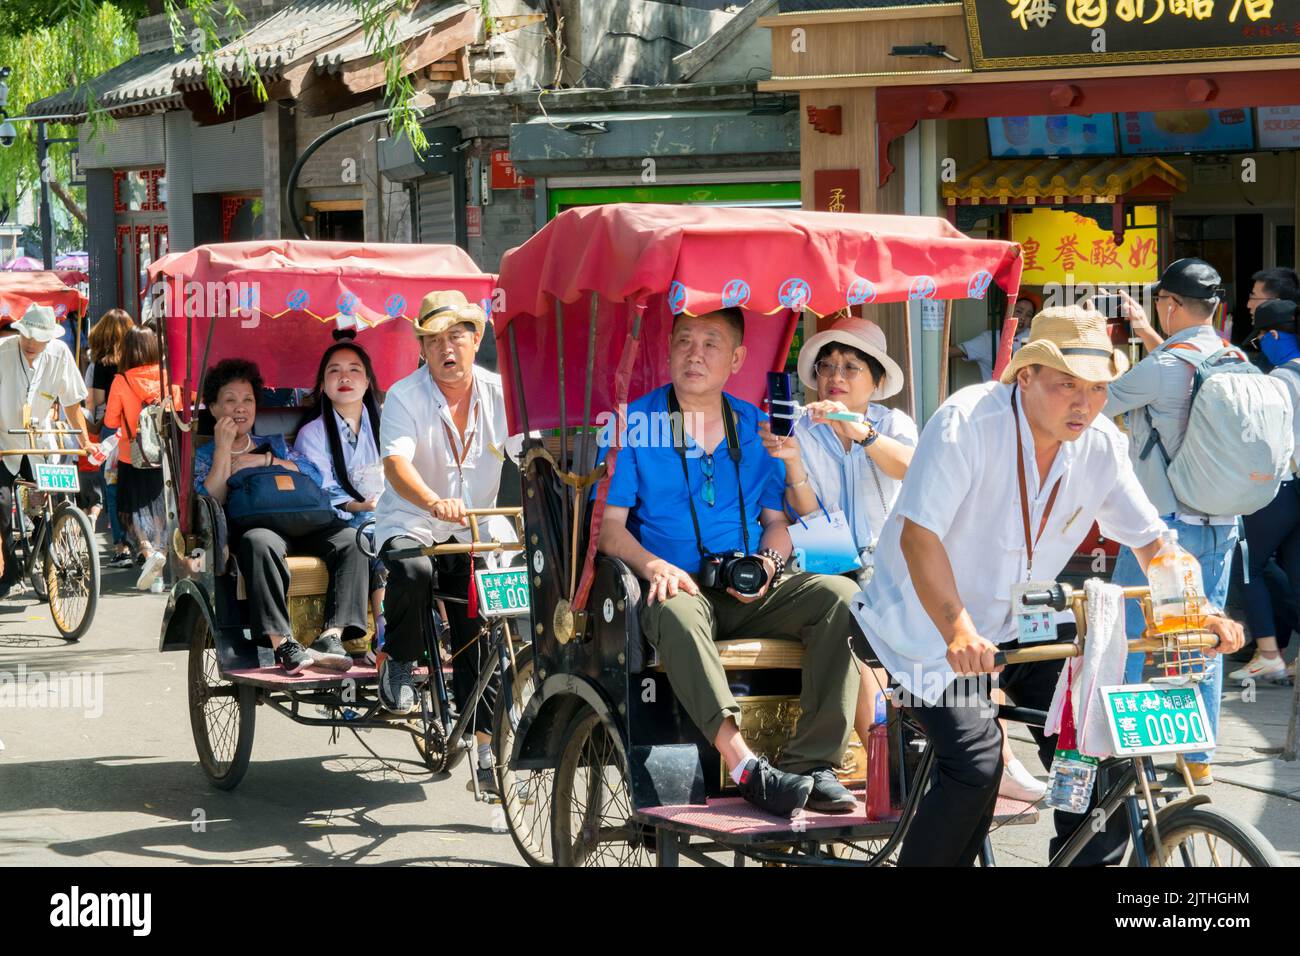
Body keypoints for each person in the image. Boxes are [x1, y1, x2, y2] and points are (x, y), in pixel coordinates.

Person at [850, 306, 1244, 865]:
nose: (1084, 403)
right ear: (1026, 375)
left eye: (1099, 388)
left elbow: (1153, 544)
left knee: (1097, 744)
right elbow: (919, 537)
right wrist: (959, 630)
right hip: (920, 626)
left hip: (1021, 619)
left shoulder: (1101, 444)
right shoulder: (969, 422)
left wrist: (1197, 611)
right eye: (1067, 385)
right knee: (978, 764)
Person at [596, 306, 861, 818]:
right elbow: (609, 531)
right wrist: (652, 565)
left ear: (737, 357)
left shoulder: (757, 425)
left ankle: (814, 764)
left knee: (844, 597)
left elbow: (777, 525)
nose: (695, 353)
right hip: (678, 588)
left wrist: (765, 564)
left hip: (749, 588)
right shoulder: (636, 423)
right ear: (669, 350)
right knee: (675, 609)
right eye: (684, 341)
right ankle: (746, 768)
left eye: (711, 342)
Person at [1101, 259, 1239, 787]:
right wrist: (1150, 334)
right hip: (1223, 524)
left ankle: (1121, 750)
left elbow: (1098, 401)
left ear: (1170, 304)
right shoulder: (1231, 356)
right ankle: (1197, 753)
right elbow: (1183, 364)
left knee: (1130, 633)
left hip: (1160, 530)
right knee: (1208, 632)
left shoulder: (1160, 366)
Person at [374, 290, 516, 795]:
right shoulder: (404, 396)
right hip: (413, 519)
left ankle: (484, 748)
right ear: (422, 349)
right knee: (411, 573)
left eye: (456, 336)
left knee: (487, 625)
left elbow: (533, 451)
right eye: (433, 340)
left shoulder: (502, 394)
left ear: (476, 339)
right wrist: (434, 501)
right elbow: (396, 463)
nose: (445, 348)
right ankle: (400, 659)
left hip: (480, 529)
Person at [195, 358, 370, 674]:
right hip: (259, 526)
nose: (240, 408)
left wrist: (262, 460)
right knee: (258, 543)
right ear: (213, 408)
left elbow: (314, 475)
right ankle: (283, 643)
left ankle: (331, 636)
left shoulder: (274, 444)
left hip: (305, 520)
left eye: (247, 400)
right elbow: (213, 500)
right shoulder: (205, 455)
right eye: (230, 400)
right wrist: (223, 450)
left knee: (351, 541)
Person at [294, 330, 387, 649]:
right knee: (374, 538)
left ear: (368, 382)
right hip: (342, 522)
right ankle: (384, 631)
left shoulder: (388, 425)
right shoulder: (312, 434)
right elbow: (323, 491)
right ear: (322, 385)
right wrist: (362, 506)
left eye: (354, 369)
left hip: (385, 514)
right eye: (334, 370)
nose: (344, 376)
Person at [0, 305, 99, 600]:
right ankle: (11, 571)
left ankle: (47, 559)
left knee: (56, 498)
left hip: (40, 440)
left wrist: (86, 441)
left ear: (50, 337)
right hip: (4, 441)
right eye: (27, 335)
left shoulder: (59, 354)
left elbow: (71, 403)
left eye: (38, 337)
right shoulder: (3, 352)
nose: (31, 342)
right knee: (2, 507)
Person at [1233, 293, 1300, 684]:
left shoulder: (1280, 379)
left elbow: (1268, 443)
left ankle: (1269, 653)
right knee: (1295, 573)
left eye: (1260, 340)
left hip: (1285, 488)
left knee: (1246, 563)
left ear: (1273, 335)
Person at [104, 327, 173, 591]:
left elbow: (111, 420)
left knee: (133, 508)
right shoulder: (167, 378)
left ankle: (147, 552)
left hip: (132, 456)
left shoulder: (121, 380)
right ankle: (161, 555)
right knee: (160, 508)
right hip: (165, 455)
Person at [86, 309, 134, 566]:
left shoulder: (99, 365)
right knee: (140, 485)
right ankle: (144, 542)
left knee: (112, 489)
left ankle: (121, 546)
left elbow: (94, 402)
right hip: (138, 429)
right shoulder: (137, 361)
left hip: (112, 432)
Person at [949, 294, 1040, 382]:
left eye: (1029, 315)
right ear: (1007, 312)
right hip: (997, 395)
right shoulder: (989, 340)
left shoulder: (1035, 337)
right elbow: (952, 352)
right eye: (1019, 311)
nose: (1023, 317)